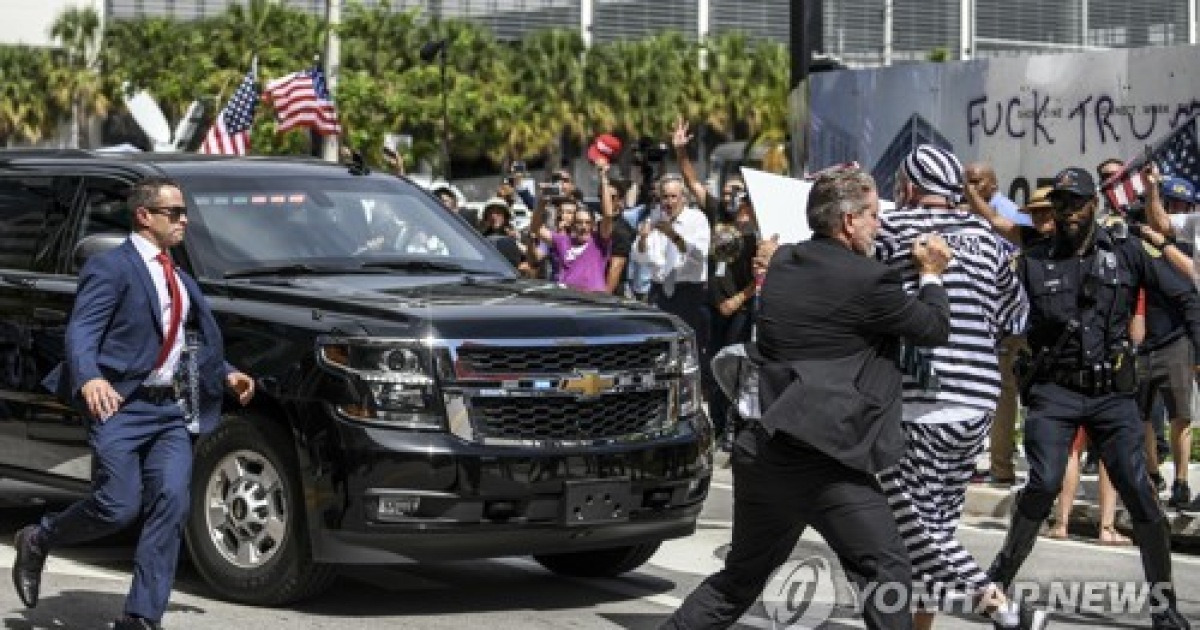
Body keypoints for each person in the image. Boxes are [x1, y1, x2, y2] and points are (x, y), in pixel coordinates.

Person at [661, 166, 953, 630]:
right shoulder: (869, 280)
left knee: (740, 579)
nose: (880, 224)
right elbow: (933, 328)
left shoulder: (782, 265)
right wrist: (931, 274)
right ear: (848, 222)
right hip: (824, 456)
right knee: (887, 569)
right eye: (875, 215)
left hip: (764, 449)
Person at [13, 177, 255, 630]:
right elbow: (81, 331)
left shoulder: (179, 276)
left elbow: (189, 340)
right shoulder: (111, 267)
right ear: (144, 216)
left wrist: (227, 374)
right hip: (119, 405)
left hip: (169, 411)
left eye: (185, 213)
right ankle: (40, 536)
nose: (184, 220)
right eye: (175, 213)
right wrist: (89, 378)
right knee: (117, 506)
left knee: (171, 501)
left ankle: (141, 616)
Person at [986, 167, 1199, 630]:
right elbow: (996, 317)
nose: (1068, 212)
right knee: (1041, 482)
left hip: (1111, 397)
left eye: (1076, 202)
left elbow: (1186, 292)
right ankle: (999, 577)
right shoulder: (1032, 260)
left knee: (1140, 494)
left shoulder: (1126, 255)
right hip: (1053, 393)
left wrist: (1197, 346)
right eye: (1060, 203)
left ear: (1094, 205)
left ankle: (1164, 607)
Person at [876, 145, 1036, 630]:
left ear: (906, 188)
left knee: (914, 528)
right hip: (978, 402)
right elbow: (1017, 316)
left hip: (921, 403)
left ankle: (1003, 608)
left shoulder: (894, 231)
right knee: (939, 524)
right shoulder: (989, 239)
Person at [632, 175, 712, 356]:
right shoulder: (655, 218)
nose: (668, 202)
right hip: (658, 291)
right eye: (664, 197)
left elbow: (699, 255)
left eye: (673, 196)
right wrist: (643, 238)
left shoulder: (696, 219)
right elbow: (640, 256)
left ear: (683, 197)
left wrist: (672, 234)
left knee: (688, 348)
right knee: (659, 346)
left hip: (687, 292)